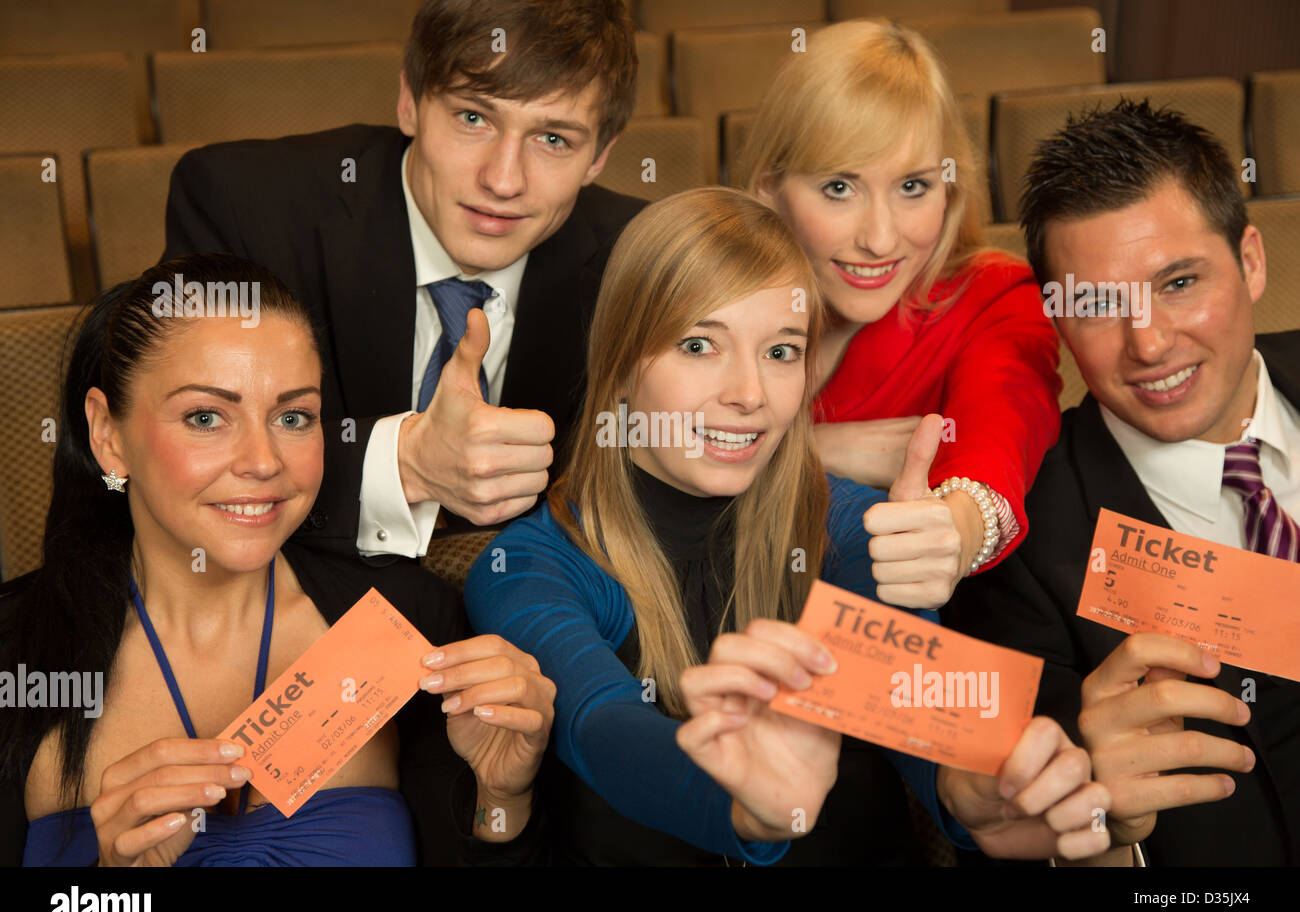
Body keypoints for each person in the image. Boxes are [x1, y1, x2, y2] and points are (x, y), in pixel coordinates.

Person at [464, 187, 1111, 865]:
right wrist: (749, 805)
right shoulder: (529, 565)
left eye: (780, 351)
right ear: (623, 363)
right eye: (698, 345)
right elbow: (603, 724)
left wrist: (979, 786)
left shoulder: (850, 524)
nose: (749, 394)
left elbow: (918, 707)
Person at [0, 254, 554, 867]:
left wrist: (503, 798)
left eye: (293, 417)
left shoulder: (410, 620)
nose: (263, 461)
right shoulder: (15, 656)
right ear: (108, 435)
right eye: (206, 417)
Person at [942, 100, 1300, 865]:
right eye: (1099, 305)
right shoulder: (1023, 547)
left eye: (1178, 282)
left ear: (1253, 261)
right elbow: (1020, 822)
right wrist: (1097, 829)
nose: (1149, 342)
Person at [162, 0, 646, 558]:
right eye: (473, 118)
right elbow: (176, 455)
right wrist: (405, 463)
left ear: (599, 158)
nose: (504, 180)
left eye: (553, 139)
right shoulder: (244, 206)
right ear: (410, 103)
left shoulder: (637, 257)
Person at [743, 19, 1062, 608]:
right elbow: (631, 463)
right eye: (840, 187)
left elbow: (1002, 428)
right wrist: (806, 449)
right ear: (770, 189)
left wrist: (959, 531)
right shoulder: (712, 296)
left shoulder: (993, 294)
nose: (881, 239)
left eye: (913, 186)